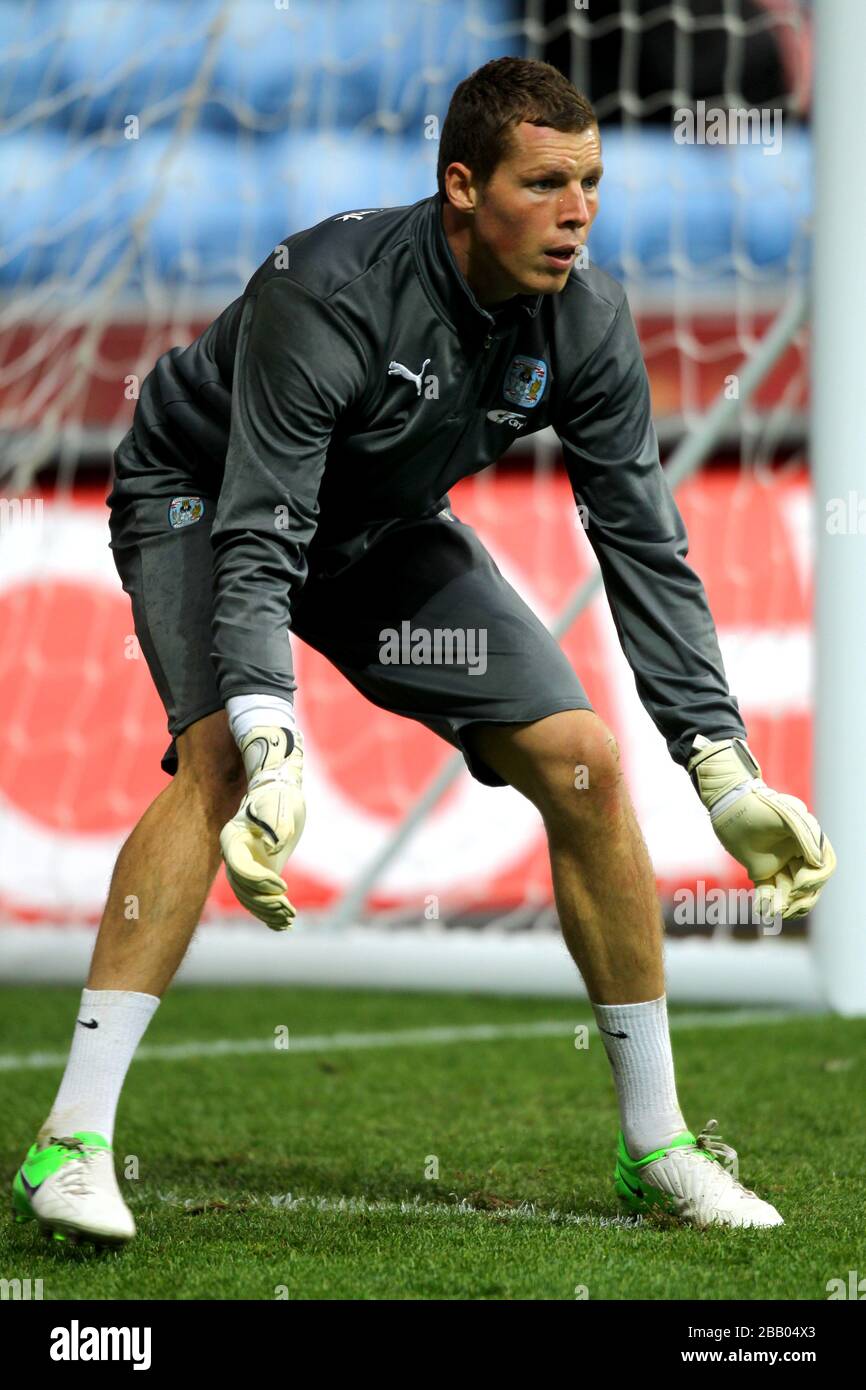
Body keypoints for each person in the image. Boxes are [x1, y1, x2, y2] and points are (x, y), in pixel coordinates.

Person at [12, 56, 835, 1246]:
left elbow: (643, 547)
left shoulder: (585, 320)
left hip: (380, 534)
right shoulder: (329, 292)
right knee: (220, 770)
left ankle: (654, 1143)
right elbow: (260, 530)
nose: (577, 211)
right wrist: (264, 721)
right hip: (202, 496)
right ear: (462, 186)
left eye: (591, 182)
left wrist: (720, 764)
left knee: (582, 759)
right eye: (544, 182)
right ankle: (72, 1140)